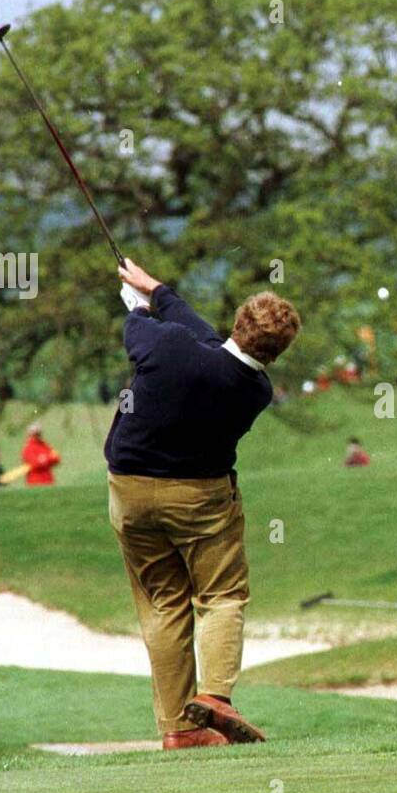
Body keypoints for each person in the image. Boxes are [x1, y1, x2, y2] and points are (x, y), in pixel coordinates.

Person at [106, 257, 300, 750]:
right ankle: (214, 695)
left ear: (236, 323)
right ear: (278, 352)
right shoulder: (257, 389)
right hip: (201, 499)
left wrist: (138, 306)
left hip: (129, 492)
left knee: (164, 605)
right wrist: (159, 291)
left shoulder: (169, 345)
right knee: (221, 596)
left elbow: (146, 334)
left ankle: (180, 728)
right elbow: (211, 347)